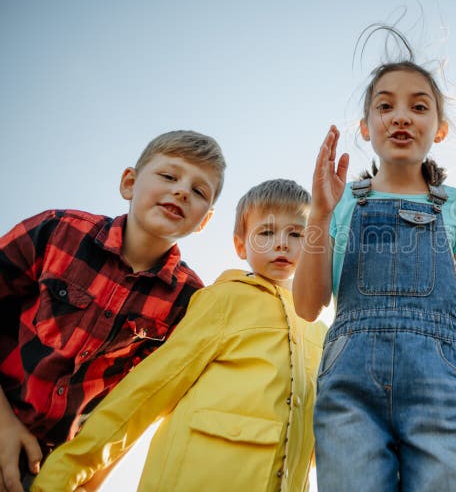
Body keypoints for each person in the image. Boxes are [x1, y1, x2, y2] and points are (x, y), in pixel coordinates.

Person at [31, 179, 327, 491]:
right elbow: (147, 390)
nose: (282, 243)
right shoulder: (224, 300)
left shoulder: (320, 329)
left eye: (296, 233)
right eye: (266, 232)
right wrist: (62, 475)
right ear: (241, 245)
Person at [293, 36, 456, 491]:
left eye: (419, 107)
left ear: (439, 128)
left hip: (440, 378)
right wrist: (319, 214)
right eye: (386, 106)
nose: (401, 115)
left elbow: (449, 301)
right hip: (350, 383)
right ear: (366, 126)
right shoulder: (339, 202)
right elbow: (308, 305)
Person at [0, 130, 225, 492]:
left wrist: (91, 483)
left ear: (204, 221)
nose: (182, 190)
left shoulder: (189, 301)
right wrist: (3, 424)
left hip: (52, 465)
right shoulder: (59, 230)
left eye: (199, 191)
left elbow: (141, 404)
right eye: (169, 176)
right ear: (129, 183)